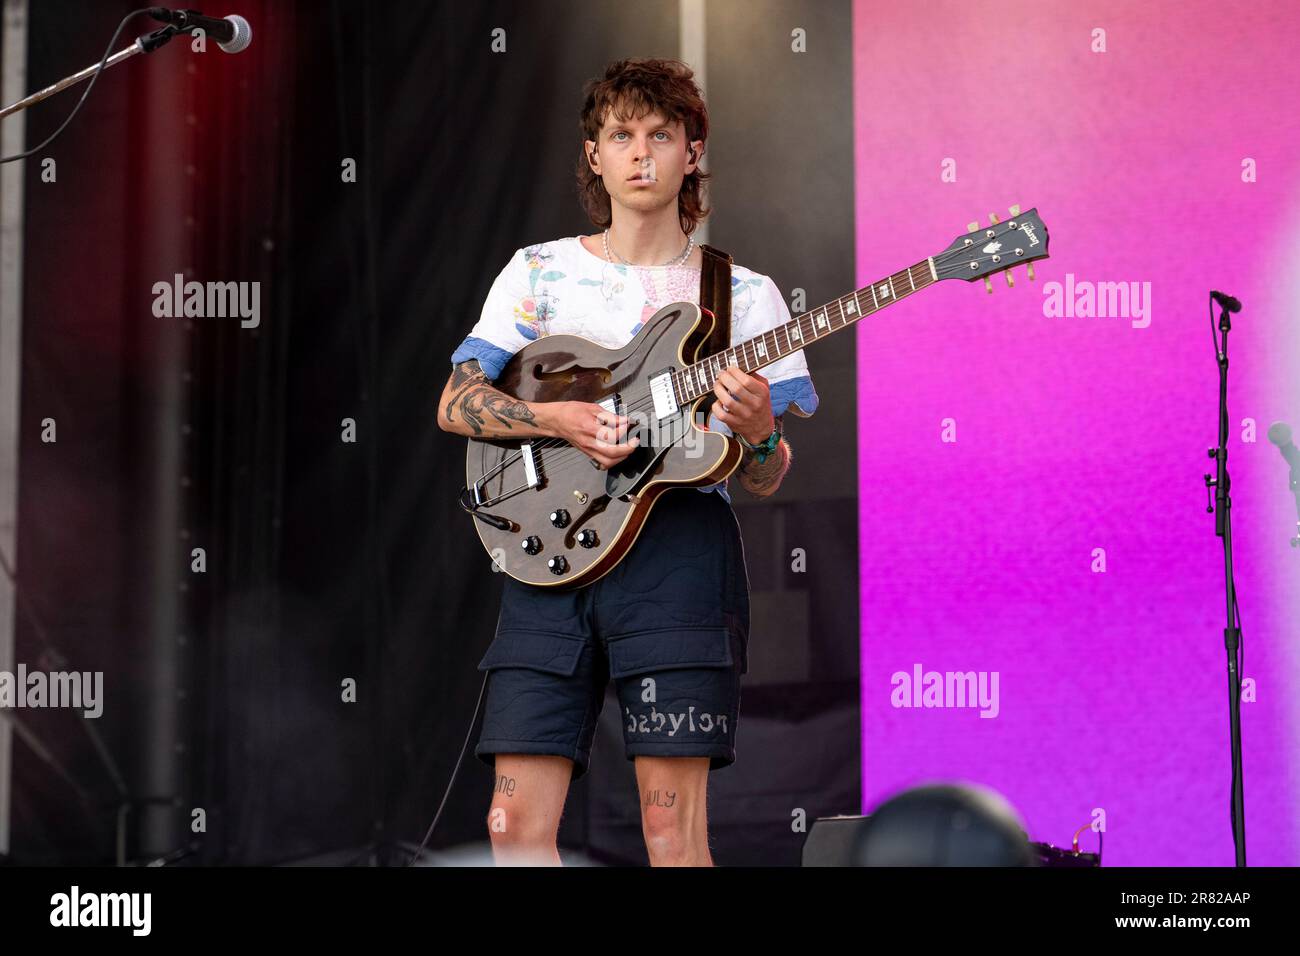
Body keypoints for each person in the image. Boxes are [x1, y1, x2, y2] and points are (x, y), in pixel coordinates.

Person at [437, 57, 818, 866]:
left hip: (679, 560)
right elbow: (454, 403)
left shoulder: (743, 296)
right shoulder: (538, 272)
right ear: (593, 154)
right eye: (621, 134)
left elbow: (763, 474)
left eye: (660, 134)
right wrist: (555, 420)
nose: (640, 152)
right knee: (510, 827)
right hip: (551, 555)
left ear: (692, 151)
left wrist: (756, 434)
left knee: (668, 831)